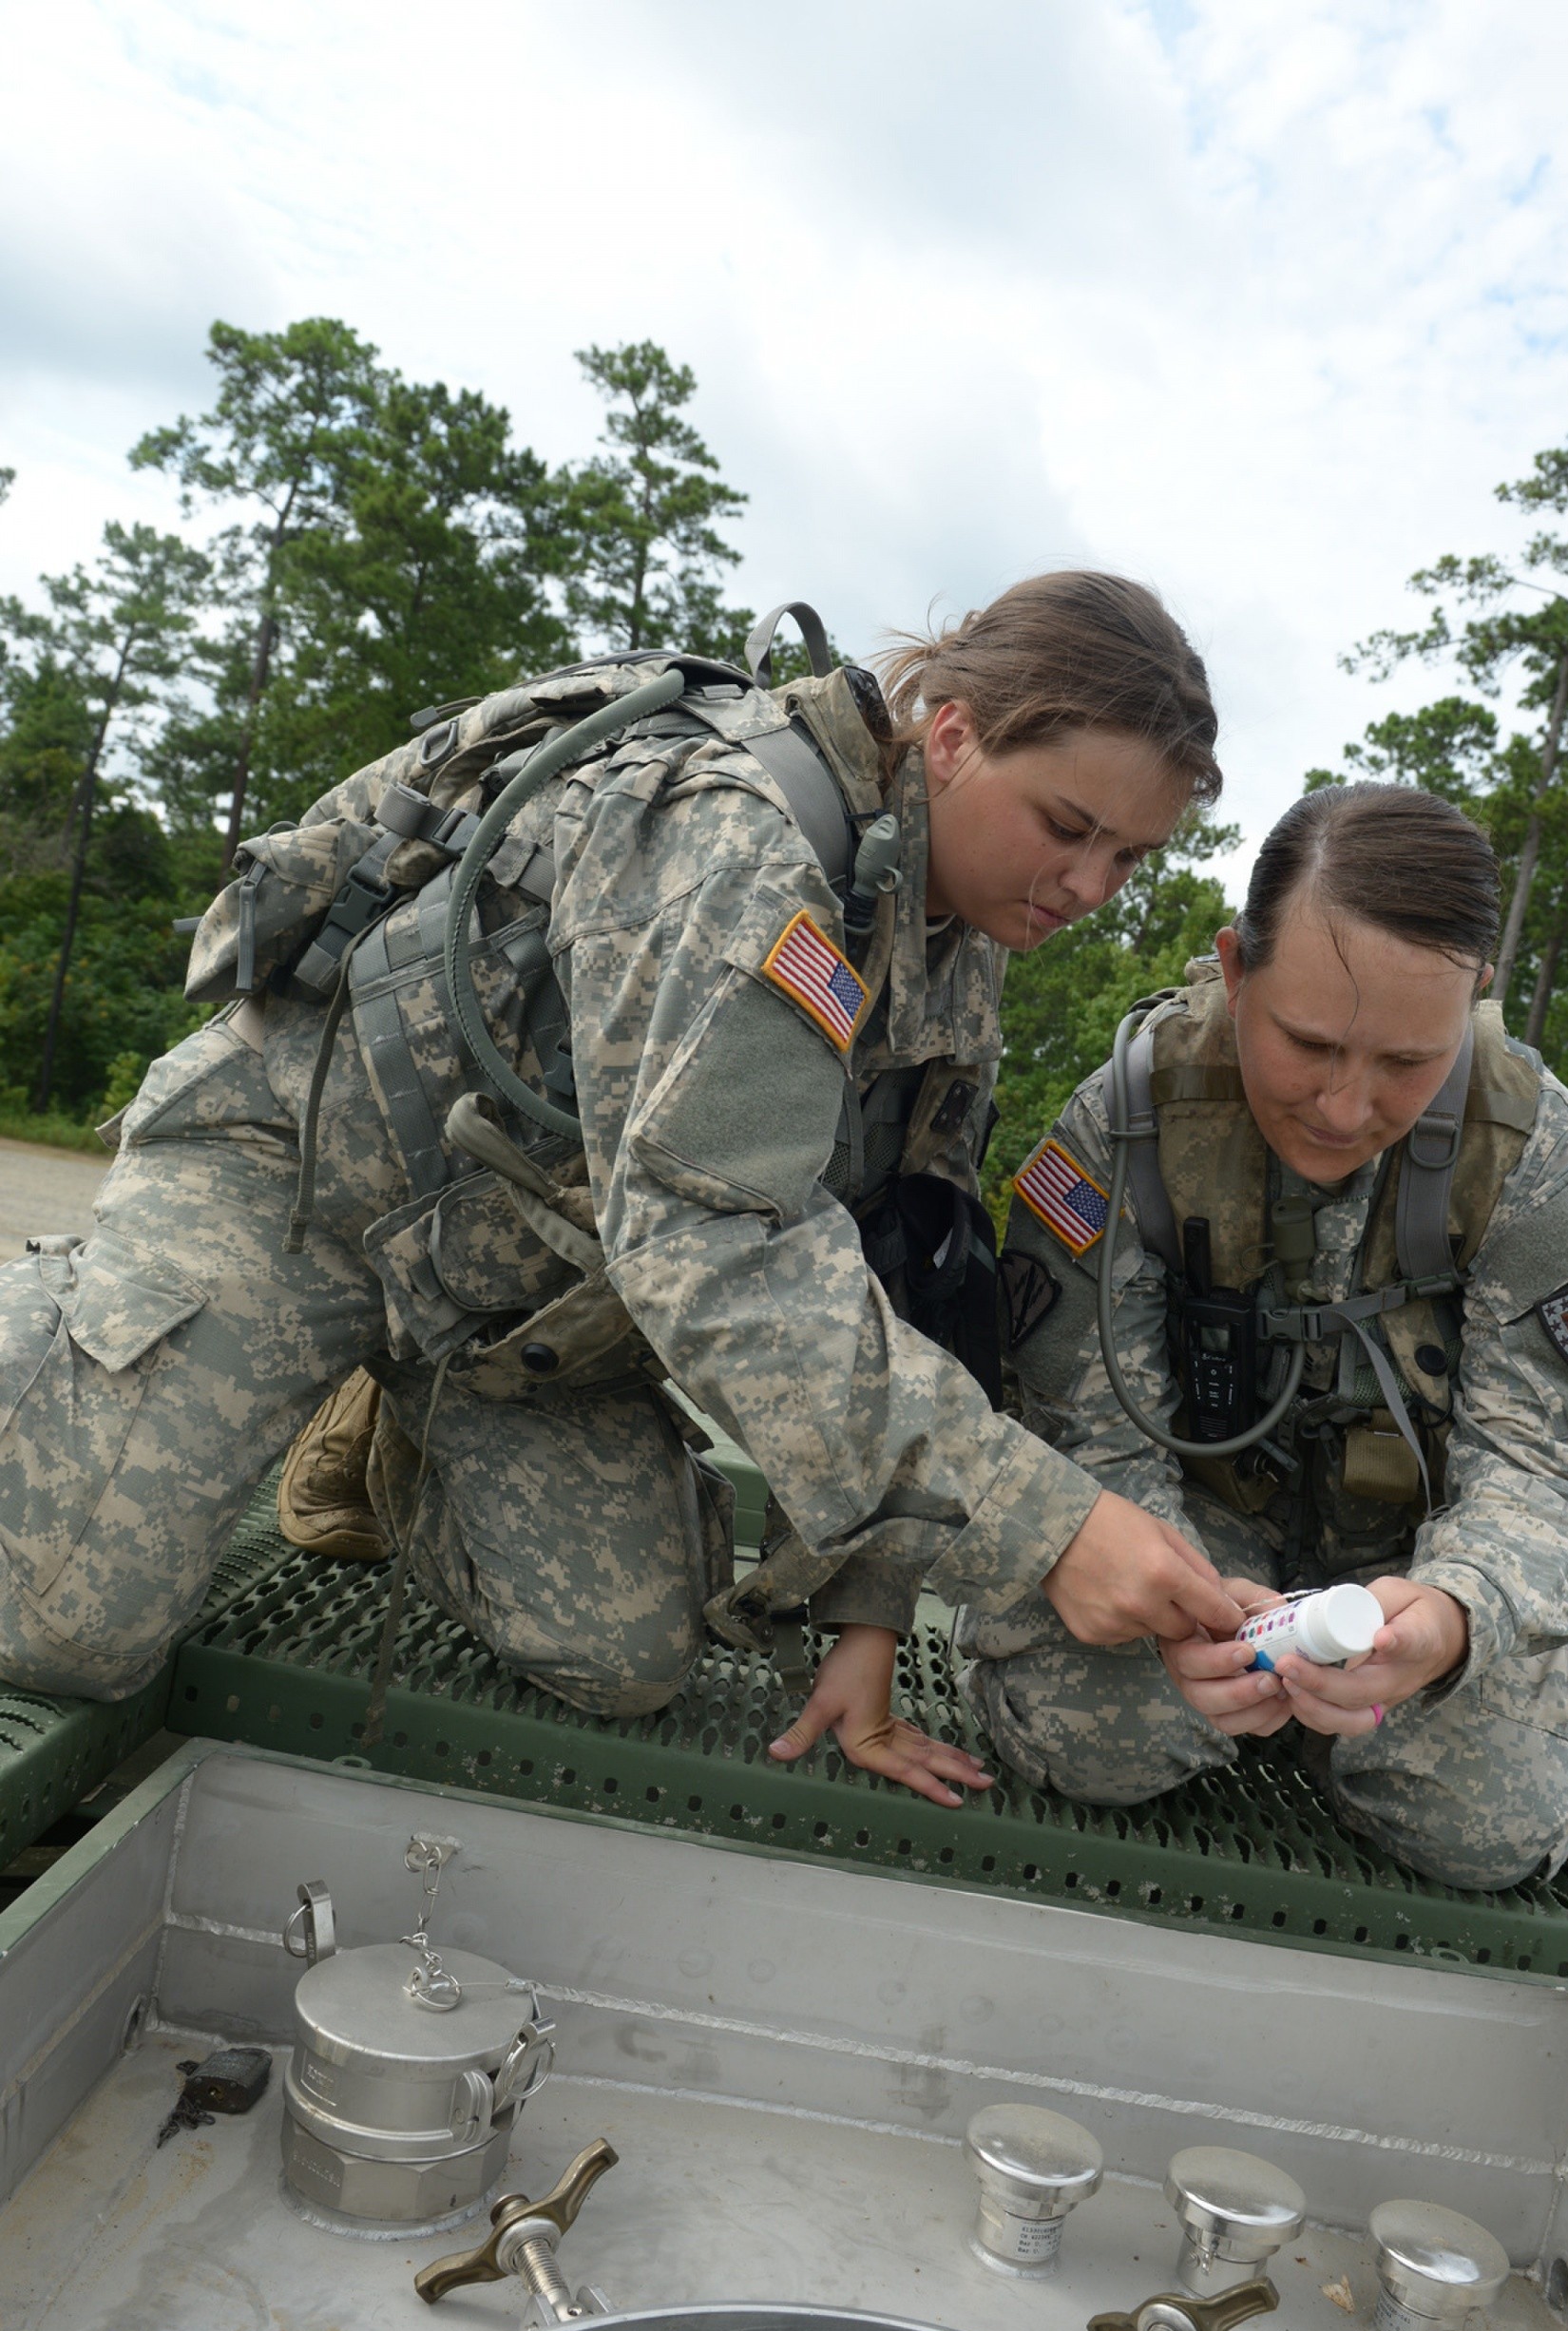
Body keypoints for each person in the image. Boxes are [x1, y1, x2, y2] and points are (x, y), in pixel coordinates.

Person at [0, 573, 1244, 1797]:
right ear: (956, 739)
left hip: (507, 1296)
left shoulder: (958, 934)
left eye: (1130, 858)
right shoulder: (741, 837)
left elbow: (896, 1252)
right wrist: (1046, 1527)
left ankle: (389, 1418)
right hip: (300, 1181)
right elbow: (720, 1254)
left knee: (624, 1658)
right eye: (1067, 827)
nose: (1090, 888)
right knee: (67, 1628)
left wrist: (867, 1610)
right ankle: (77, 1330)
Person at [836, 781, 1568, 1892]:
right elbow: (1090, 1432)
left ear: (1475, 999)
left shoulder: (1533, 1155)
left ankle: (1361, 1715)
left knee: (1490, 1823)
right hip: (1195, 1540)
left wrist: (1457, 1614)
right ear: (1235, 967)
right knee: (1089, 1737)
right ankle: (1253, 1707)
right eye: (1308, 1043)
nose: (1347, 1107)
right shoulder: (1129, 1123)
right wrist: (1182, 1607)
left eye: (1407, 1063)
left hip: (1415, 1569)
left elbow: (1544, 1468)